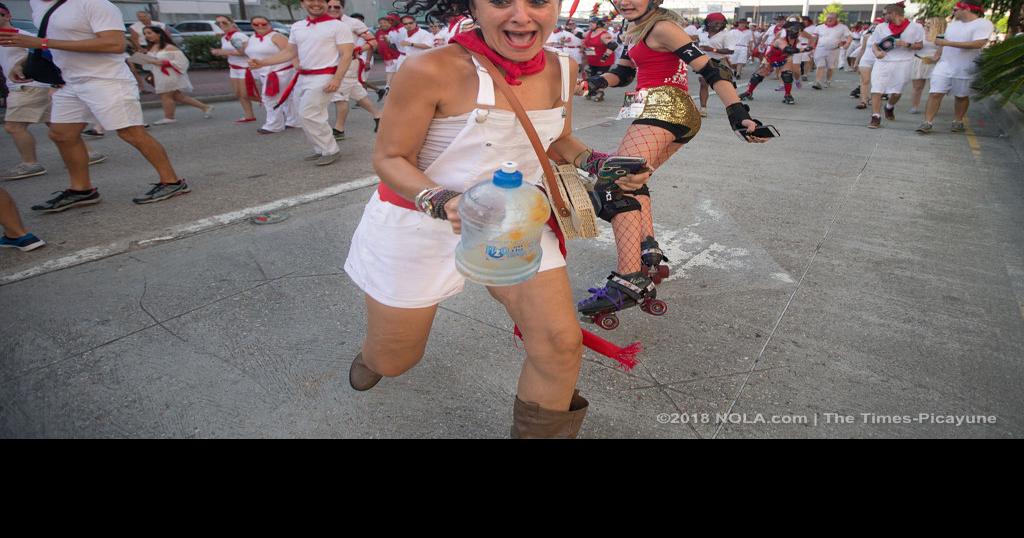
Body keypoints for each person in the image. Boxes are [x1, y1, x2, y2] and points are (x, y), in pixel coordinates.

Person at [345, 0, 657, 438]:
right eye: (499, 1)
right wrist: (445, 201)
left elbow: (557, 139)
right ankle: (375, 356)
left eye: (537, 1)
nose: (521, 15)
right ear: (471, 5)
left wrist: (597, 161)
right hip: (419, 220)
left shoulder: (564, 69)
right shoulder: (430, 69)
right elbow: (390, 157)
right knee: (394, 359)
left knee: (559, 346)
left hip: (515, 220)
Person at [581, 0, 765, 326]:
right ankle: (648, 252)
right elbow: (622, 73)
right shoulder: (635, 28)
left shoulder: (663, 27)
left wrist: (739, 114)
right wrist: (594, 82)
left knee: (613, 183)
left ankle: (629, 278)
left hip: (665, 108)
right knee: (635, 180)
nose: (623, 1)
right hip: (663, 111)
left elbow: (712, 69)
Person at [0, 0, 191, 211]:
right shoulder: (36, 4)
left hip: (106, 79)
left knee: (130, 132)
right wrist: (25, 62)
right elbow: (55, 39)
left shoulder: (93, 4)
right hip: (68, 81)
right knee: (62, 134)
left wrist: (43, 43)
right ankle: (81, 189)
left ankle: (172, 182)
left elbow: (114, 44)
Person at [248, 0, 354, 166]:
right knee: (303, 115)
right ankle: (321, 149)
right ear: (303, 3)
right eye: (311, 0)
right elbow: (290, 52)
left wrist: (337, 79)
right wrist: (263, 62)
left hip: (324, 76)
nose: (316, 4)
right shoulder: (298, 26)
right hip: (302, 77)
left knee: (309, 114)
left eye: (321, 1)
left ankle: (331, 150)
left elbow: (347, 54)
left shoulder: (338, 26)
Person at [917, 0, 993, 134]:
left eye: (955, 9)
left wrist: (948, 42)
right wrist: (936, 56)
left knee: (961, 96)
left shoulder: (983, 24)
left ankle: (958, 121)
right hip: (944, 66)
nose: (953, 12)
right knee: (935, 93)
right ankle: (927, 122)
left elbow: (978, 44)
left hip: (965, 67)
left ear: (967, 9)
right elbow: (943, 43)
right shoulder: (953, 24)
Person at [327, 0, 381, 140]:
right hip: (329, 65)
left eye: (336, 6)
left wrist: (357, 50)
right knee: (358, 94)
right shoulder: (322, 23)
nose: (333, 9)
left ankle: (339, 129)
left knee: (340, 97)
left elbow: (373, 42)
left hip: (348, 64)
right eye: (330, 6)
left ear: (342, 7)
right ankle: (379, 116)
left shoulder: (353, 23)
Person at [138, 26, 214, 125]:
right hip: (159, 74)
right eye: (145, 34)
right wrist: (143, 58)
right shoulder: (152, 47)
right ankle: (205, 107)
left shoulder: (169, 47)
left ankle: (169, 117)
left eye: (149, 33)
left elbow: (183, 61)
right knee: (178, 96)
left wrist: (164, 63)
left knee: (165, 94)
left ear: (159, 33)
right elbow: (149, 63)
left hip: (169, 74)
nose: (147, 36)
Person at [867, 2, 924, 129]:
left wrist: (907, 44)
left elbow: (920, 46)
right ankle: (875, 117)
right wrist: (877, 53)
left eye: (885, 14)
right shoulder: (881, 27)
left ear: (893, 13)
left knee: (897, 92)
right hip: (883, 62)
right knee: (876, 89)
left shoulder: (916, 27)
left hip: (903, 63)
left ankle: (889, 106)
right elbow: (874, 44)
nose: (883, 16)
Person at [244, 15, 299, 134]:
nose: (260, 27)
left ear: (269, 24)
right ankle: (293, 120)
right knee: (287, 98)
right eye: (256, 24)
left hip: (280, 71)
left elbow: (291, 53)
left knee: (270, 98)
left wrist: (298, 68)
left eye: (263, 24)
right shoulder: (252, 37)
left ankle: (274, 124)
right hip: (264, 72)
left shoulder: (277, 36)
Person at [740, 17, 810, 105]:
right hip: (772, 57)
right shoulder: (781, 39)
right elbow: (788, 50)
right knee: (758, 76)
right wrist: (804, 49)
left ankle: (788, 95)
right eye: (796, 30)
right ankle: (748, 92)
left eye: (799, 30)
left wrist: (810, 47)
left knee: (787, 75)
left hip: (784, 57)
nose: (798, 32)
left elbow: (808, 39)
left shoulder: (796, 39)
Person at [210, 15, 257, 123]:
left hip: (244, 68)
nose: (221, 25)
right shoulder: (224, 38)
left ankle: (274, 105)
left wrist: (222, 52)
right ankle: (249, 115)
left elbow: (244, 52)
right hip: (233, 68)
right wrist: (218, 53)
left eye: (224, 22)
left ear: (232, 22)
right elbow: (227, 54)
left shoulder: (239, 35)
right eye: (218, 23)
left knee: (247, 94)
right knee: (238, 93)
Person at [695, 12, 736, 117]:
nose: (719, 25)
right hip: (704, 61)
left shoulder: (726, 34)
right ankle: (703, 108)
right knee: (704, 83)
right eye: (716, 23)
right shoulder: (701, 32)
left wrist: (712, 49)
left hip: (719, 62)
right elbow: (696, 41)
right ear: (708, 23)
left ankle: (734, 106)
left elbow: (730, 51)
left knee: (723, 86)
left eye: (721, 23)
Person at [908, 17, 945, 114]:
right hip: (919, 60)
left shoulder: (941, 36)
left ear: (936, 24)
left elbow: (942, 50)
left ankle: (932, 108)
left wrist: (936, 58)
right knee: (917, 87)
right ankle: (914, 106)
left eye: (929, 23)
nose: (926, 24)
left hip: (935, 63)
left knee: (935, 88)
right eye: (926, 23)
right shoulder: (920, 34)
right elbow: (914, 45)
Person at [810, 13, 851, 89]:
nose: (829, 19)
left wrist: (847, 44)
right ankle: (818, 82)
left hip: (834, 50)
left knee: (830, 67)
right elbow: (814, 38)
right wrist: (811, 48)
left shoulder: (843, 27)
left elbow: (849, 37)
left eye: (832, 18)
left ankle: (828, 80)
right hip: (820, 49)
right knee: (820, 65)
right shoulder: (819, 27)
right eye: (828, 18)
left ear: (836, 19)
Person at [582, 16, 616, 100]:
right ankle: (591, 91)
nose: (590, 24)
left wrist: (605, 57)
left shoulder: (604, 34)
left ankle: (600, 93)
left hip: (604, 61)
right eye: (589, 22)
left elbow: (613, 45)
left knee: (601, 77)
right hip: (592, 60)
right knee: (591, 76)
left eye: (592, 22)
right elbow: (587, 43)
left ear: (598, 24)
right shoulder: (589, 32)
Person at [374, 16, 402, 93]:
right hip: (387, 57)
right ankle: (388, 86)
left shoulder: (395, 31)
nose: (383, 24)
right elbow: (376, 43)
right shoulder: (378, 32)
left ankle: (397, 88)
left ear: (390, 23)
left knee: (398, 73)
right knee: (389, 71)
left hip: (397, 56)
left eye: (385, 22)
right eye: (381, 23)